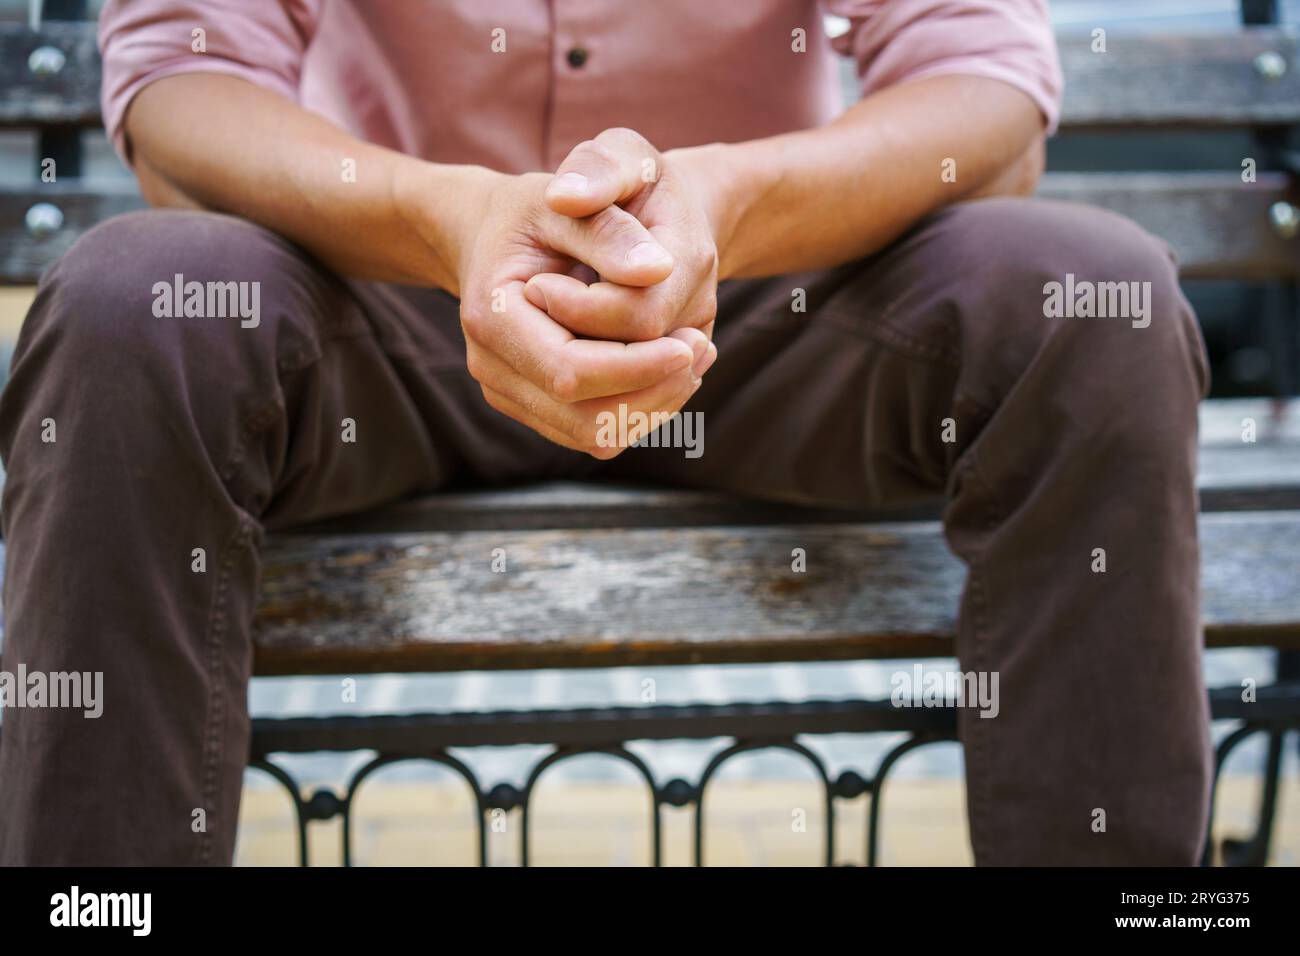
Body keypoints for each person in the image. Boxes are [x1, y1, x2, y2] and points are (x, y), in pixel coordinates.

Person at [0, 0, 1211, 866]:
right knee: (129, 303)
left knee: (1092, 296)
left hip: (762, 322)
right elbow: (184, 84)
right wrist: (452, 216)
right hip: (386, 312)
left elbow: (985, 95)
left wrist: (725, 203)